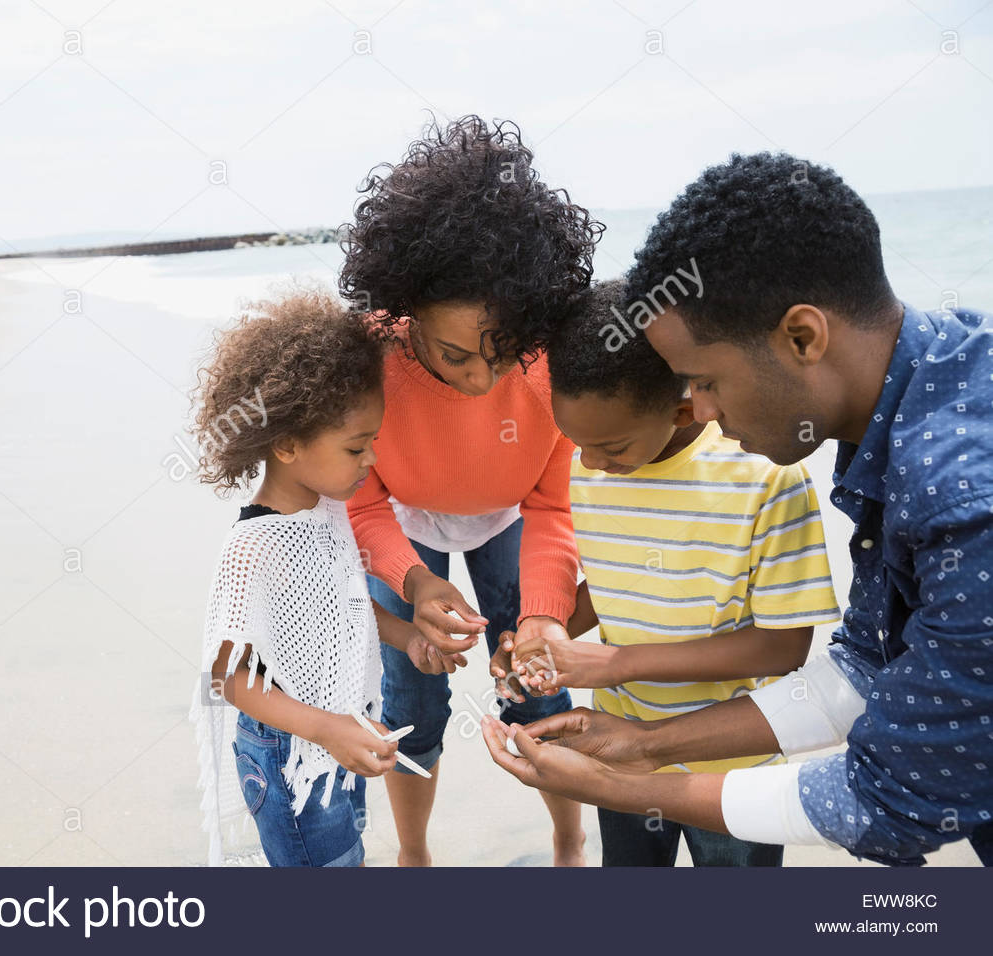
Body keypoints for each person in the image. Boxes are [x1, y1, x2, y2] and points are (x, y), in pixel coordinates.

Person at [483, 152, 993, 866]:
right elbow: (870, 666)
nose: (701, 410)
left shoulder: (964, 505)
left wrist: (620, 784)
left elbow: (889, 804)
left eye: (705, 380)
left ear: (803, 337)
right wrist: (644, 744)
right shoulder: (933, 380)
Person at [491, 278, 841, 866]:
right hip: (612, 746)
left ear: (683, 407)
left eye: (612, 447)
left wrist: (620, 662)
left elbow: (783, 648)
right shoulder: (591, 462)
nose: (593, 462)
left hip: (733, 768)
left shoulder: (767, 474)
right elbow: (615, 582)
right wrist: (547, 637)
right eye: (578, 443)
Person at [339, 115, 602, 866]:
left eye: (502, 353)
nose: (482, 380)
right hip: (401, 522)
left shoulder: (550, 362)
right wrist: (413, 581)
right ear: (406, 306)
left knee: (539, 687)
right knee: (412, 698)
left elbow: (554, 506)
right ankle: (414, 855)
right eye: (454, 354)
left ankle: (568, 836)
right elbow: (358, 499)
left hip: (511, 519)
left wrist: (548, 617)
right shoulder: (371, 357)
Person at [189, 288, 466, 867]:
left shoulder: (329, 511)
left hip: (337, 733)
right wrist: (325, 729)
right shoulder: (254, 544)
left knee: (347, 860)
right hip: (289, 753)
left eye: (373, 444)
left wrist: (409, 638)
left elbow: (346, 607)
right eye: (355, 447)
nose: (371, 461)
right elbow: (229, 675)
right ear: (287, 444)